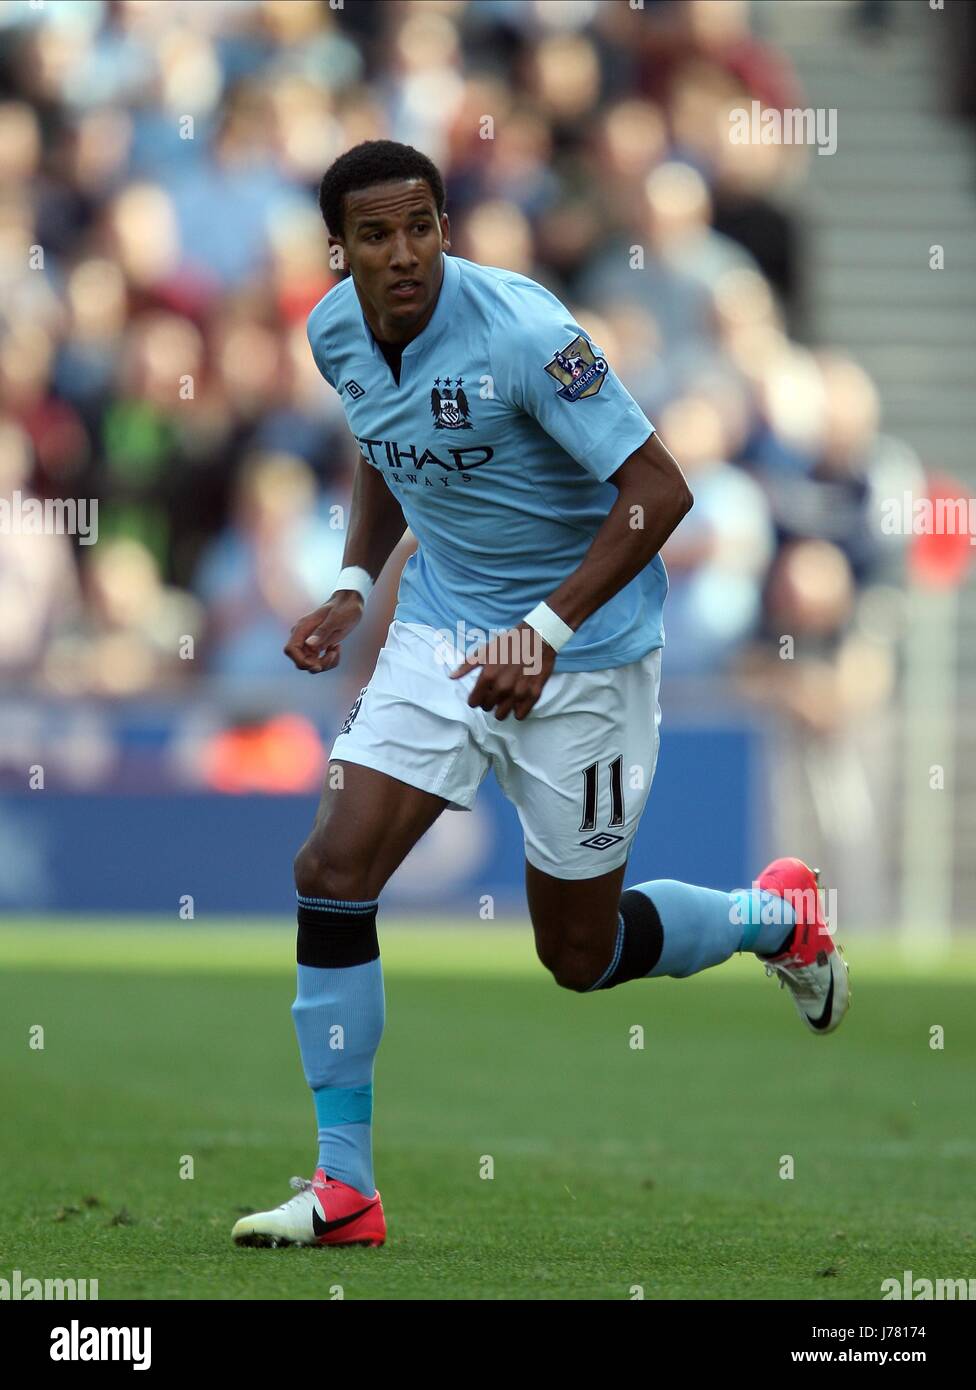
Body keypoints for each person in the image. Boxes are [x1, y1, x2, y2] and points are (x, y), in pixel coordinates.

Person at [231, 141, 849, 1251]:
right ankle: (344, 1186)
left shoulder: (525, 333)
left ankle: (774, 915)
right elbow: (387, 441)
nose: (403, 251)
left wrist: (545, 631)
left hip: (589, 655)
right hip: (440, 627)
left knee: (578, 953)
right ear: (341, 251)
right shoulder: (333, 332)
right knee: (330, 869)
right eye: (376, 235)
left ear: (446, 227)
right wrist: (351, 584)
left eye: (421, 225)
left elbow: (662, 490)